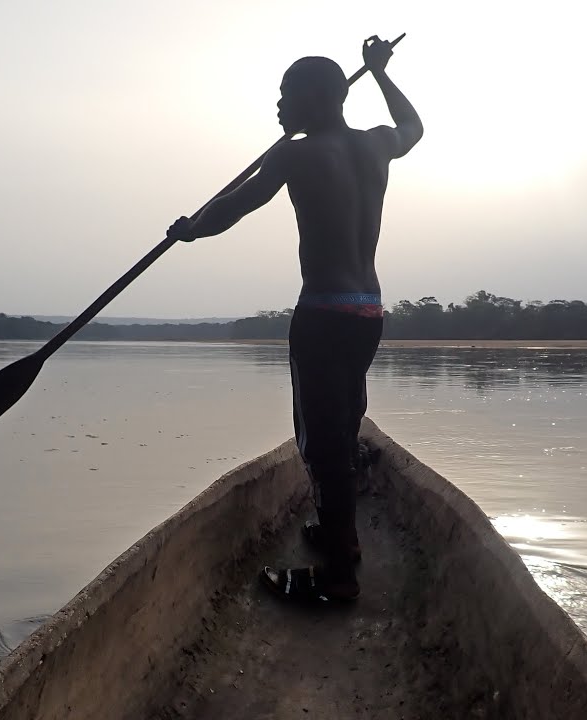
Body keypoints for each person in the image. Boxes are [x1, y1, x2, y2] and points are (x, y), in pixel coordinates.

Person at [166, 36, 422, 602]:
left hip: (323, 315)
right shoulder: (376, 145)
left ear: (315, 98)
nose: (279, 108)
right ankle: (341, 537)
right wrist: (380, 73)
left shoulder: (296, 154)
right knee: (344, 426)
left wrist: (189, 228)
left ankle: (337, 579)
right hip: (368, 313)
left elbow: (235, 208)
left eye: (286, 96)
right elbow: (413, 127)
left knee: (318, 442)